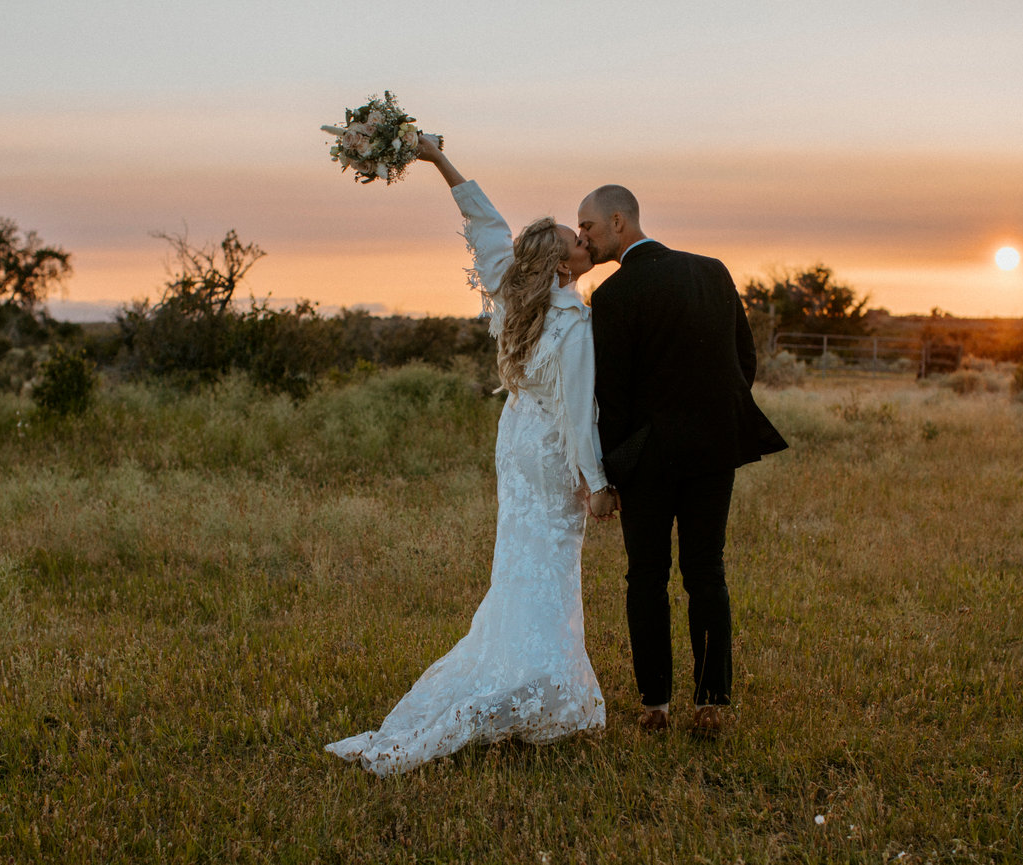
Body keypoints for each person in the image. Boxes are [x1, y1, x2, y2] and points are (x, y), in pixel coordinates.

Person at [326, 137, 615, 776]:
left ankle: (543, 682)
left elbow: (487, 227)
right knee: (550, 563)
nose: (585, 242)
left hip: (514, 443)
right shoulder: (571, 324)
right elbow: (575, 410)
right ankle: (535, 689)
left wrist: (438, 160)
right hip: (547, 452)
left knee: (521, 563)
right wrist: (597, 482)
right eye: (577, 239)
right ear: (562, 264)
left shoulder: (515, 296)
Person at [577, 184, 788, 738]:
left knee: (646, 577)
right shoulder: (711, 271)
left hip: (646, 459)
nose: (585, 239)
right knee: (706, 572)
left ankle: (656, 706)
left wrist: (612, 469)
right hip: (714, 451)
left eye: (590, 228)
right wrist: (716, 415)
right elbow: (745, 359)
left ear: (618, 222)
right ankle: (712, 702)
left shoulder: (614, 295)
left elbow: (612, 394)